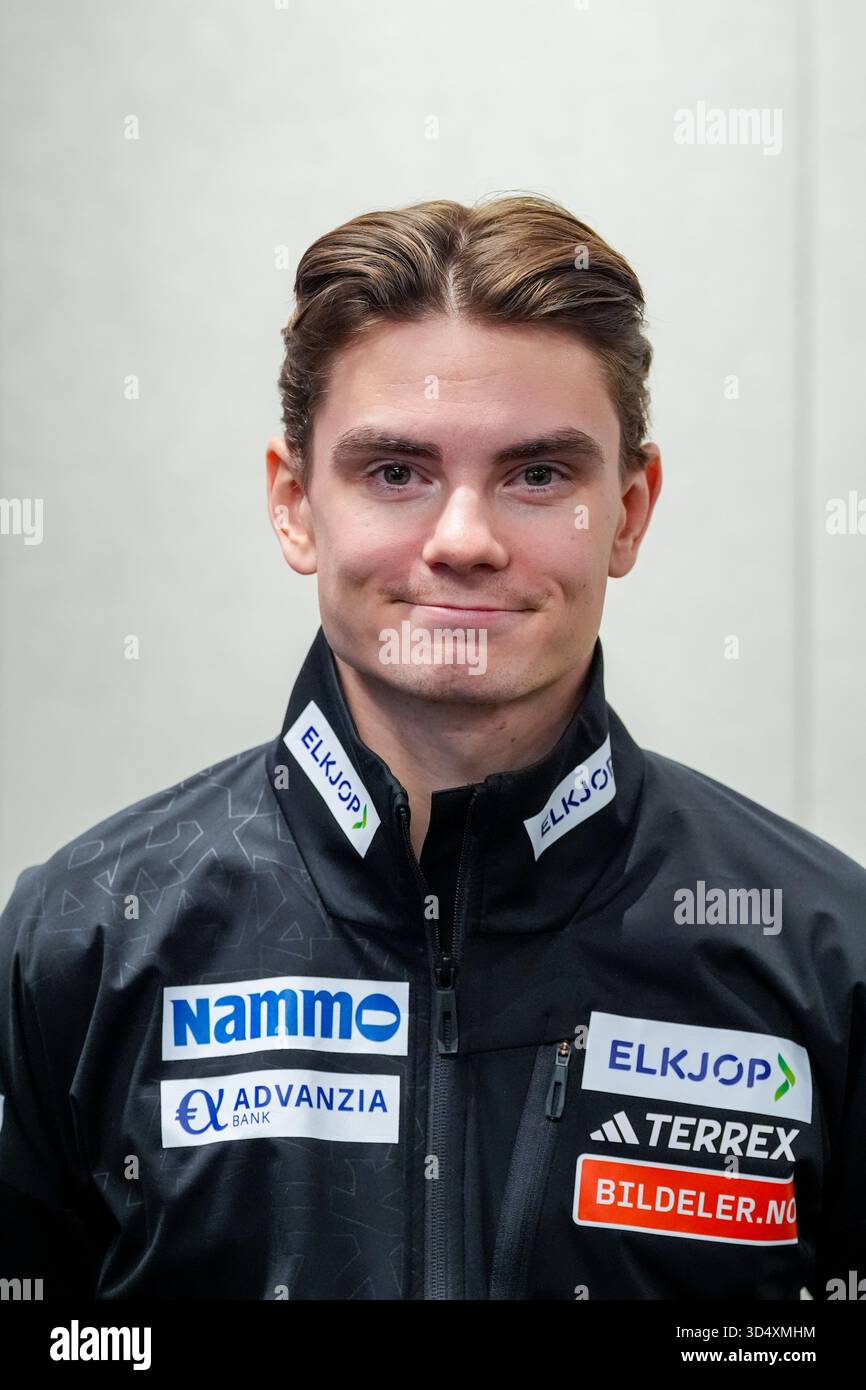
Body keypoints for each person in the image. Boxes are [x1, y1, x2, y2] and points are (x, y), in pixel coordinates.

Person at [1, 194, 864, 1301]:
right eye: (395, 473)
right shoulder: (84, 941)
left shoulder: (821, 957)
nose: (463, 539)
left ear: (630, 510)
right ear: (294, 504)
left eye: (538, 474)